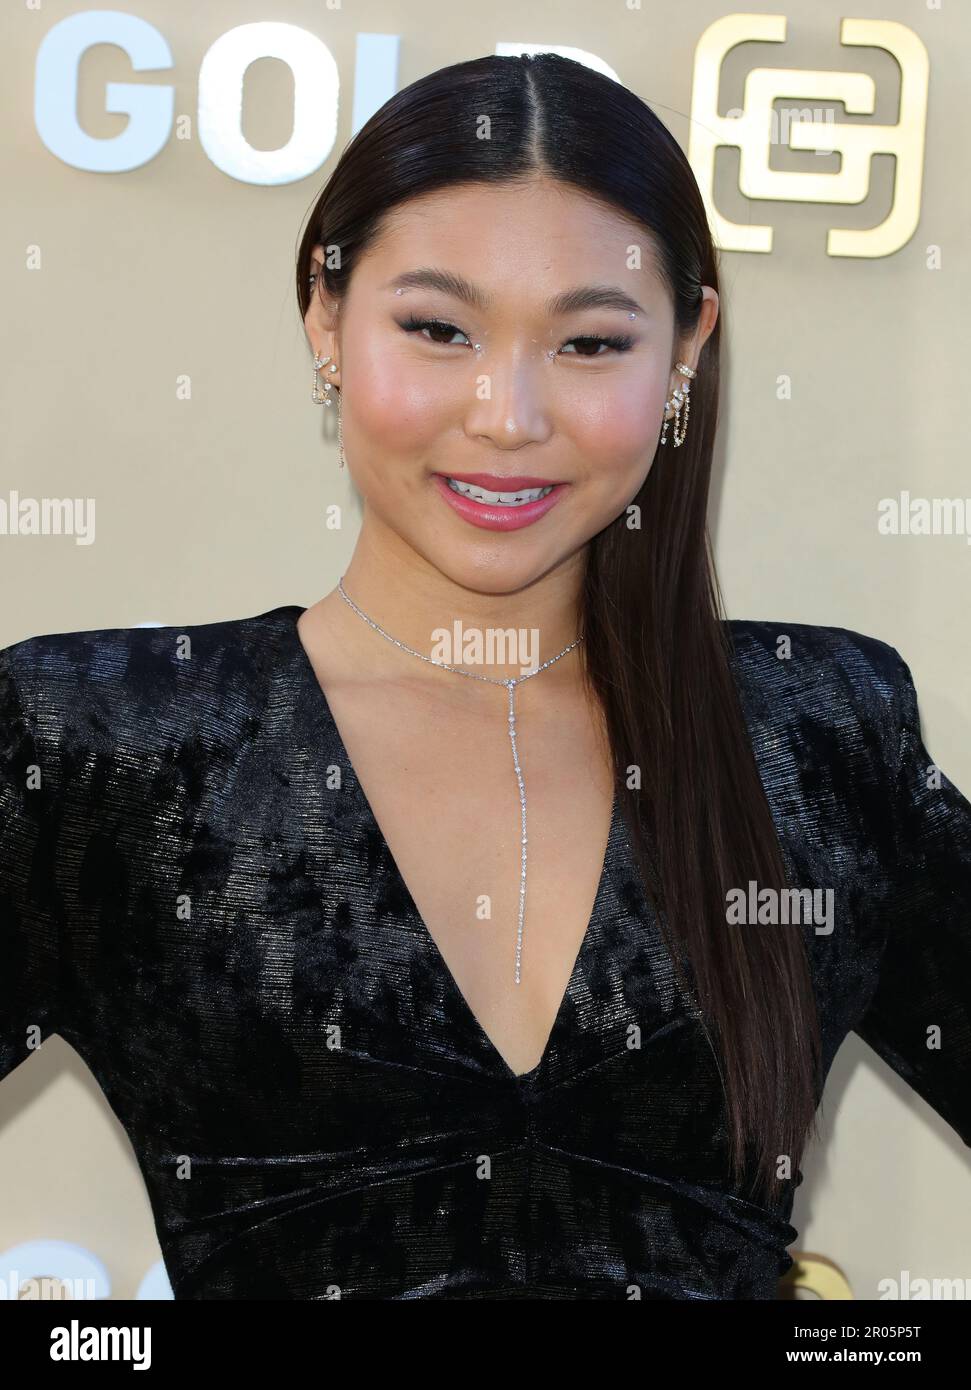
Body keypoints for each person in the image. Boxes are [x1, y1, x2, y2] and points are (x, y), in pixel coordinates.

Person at [1, 52, 968, 1301]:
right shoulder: (106, 746)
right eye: (437, 328)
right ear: (323, 316)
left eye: (587, 342)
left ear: (683, 353)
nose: (505, 413)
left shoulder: (818, 730)